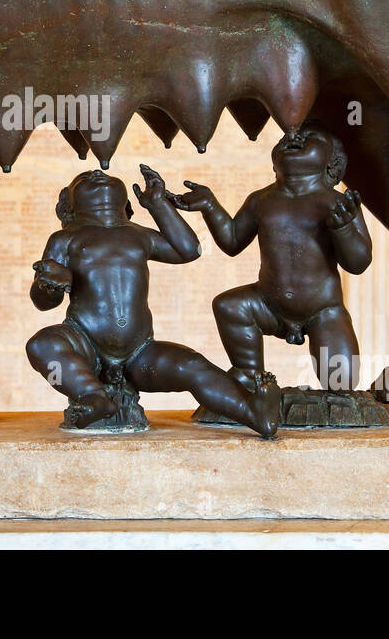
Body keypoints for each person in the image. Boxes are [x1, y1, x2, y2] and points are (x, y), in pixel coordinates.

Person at [26, 165, 280, 437]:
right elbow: (43, 303)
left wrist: (159, 205)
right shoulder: (65, 239)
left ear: (125, 203)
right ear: (69, 207)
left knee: (191, 366)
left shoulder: (138, 234)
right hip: (84, 343)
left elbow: (188, 250)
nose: (97, 174)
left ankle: (254, 413)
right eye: (84, 179)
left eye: (103, 174)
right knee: (42, 345)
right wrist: (49, 283)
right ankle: (92, 395)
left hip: (141, 353)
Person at [174, 123, 371, 393]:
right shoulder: (261, 200)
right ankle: (250, 375)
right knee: (229, 306)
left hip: (323, 309)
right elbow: (232, 241)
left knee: (342, 383)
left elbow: (358, 263)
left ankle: (336, 391)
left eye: (310, 136)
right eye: (285, 138)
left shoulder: (337, 204)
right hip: (267, 304)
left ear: (332, 162)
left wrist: (344, 229)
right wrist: (210, 206)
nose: (294, 137)